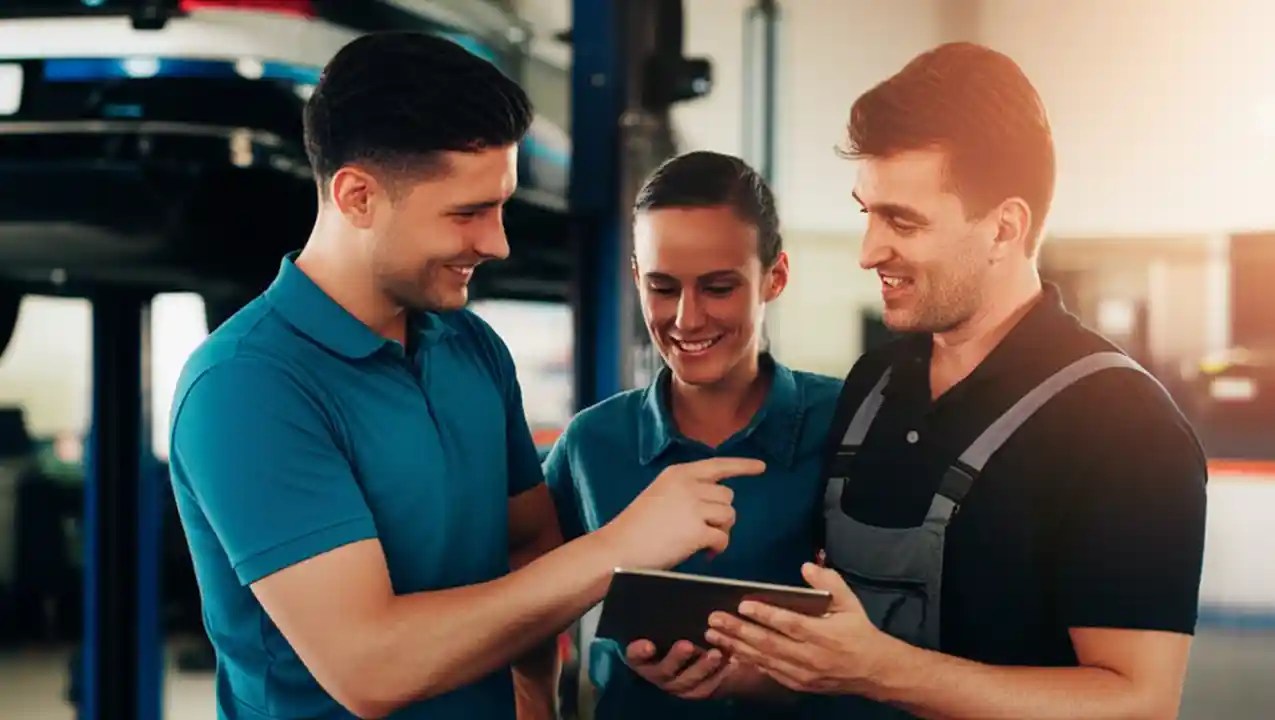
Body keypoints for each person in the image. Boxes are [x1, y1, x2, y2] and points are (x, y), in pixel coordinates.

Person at [167, 32, 766, 720]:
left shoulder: (470, 345)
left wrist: (534, 693)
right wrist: (618, 548)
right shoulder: (247, 388)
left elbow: (527, 545)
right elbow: (372, 668)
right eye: (468, 213)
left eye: (501, 206)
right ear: (357, 196)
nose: (498, 242)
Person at [698, 42, 1209, 719]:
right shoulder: (872, 385)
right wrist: (749, 667)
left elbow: (1138, 704)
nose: (868, 252)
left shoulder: (1123, 427)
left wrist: (883, 671)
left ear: (1004, 226)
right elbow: (840, 653)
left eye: (902, 221)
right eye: (867, 212)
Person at [543, 150, 842, 719]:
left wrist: (779, 675)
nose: (686, 319)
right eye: (661, 287)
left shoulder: (850, 423)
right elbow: (524, 609)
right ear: (635, 276)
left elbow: (912, 632)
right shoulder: (591, 444)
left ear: (774, 277)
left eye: (718, 287)